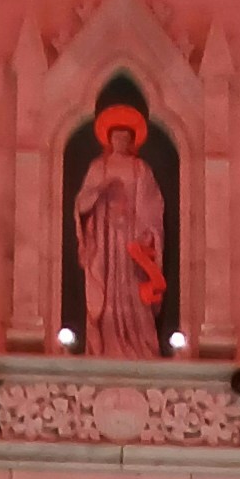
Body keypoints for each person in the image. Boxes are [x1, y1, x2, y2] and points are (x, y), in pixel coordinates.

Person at [73, 98, 168, 356]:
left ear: (133, 141)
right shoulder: (98, 167)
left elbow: (152, 204)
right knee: (105, 293)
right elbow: (82, 204)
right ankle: (104, 344)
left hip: (132, 241)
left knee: (133, 291)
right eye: (117, 137)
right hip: (105, 241)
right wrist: (101, 190)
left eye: (126, 138)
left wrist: (145, 232)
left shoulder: (141, 169)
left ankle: (139, 344)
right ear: (109, 139)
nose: (121, 142)